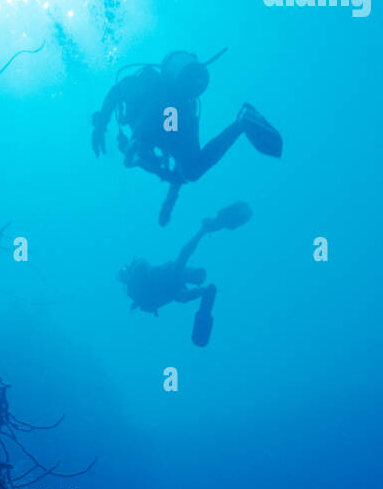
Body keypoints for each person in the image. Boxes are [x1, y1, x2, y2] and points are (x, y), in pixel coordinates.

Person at [92, 51, 281, 225]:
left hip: (167, 117)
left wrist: (101, 125)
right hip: (177, 117)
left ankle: (240, 123)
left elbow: (117, 91)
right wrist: (169, 201)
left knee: (143, 149)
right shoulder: (156, 92)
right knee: (191, 169)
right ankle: (241, 122)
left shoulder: (142, 85)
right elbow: (177, 170)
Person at [118, 202, 253, 346]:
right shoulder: (176, 280)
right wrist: (201, 291)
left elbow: (185, 259)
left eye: (195, 275)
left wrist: (202, 292)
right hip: (155, 286)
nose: (192, 272)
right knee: (178, 279)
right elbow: (185, 260)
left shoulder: (175, 280)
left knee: (179, 282)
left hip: (153, 288)